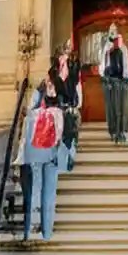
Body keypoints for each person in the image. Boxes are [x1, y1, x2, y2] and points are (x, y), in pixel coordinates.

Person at [14, 78, 66, 241]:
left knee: (34, 193)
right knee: (49, 194)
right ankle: (47, 232)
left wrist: (19, 160)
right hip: (51, 155)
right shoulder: (58, 113)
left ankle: (32, 230)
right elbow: (59, 135)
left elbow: (24, 140)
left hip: (34, 155)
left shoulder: (32, 115)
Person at [49, 39, 82, 171]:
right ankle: (60, 159)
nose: (64, 57)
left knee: (70, 132)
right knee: (60, 133)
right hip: (58, 104)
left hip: (70, 103)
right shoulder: (54, 71)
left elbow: (75, 82)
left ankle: (69, 158)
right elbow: (51, 86)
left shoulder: (73, 68)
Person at [100, 23, 128, 144]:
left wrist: (126, 78)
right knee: (111, 107)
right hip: (110, 81)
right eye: (111, 30)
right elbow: (103, 63)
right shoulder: (107, 49)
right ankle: (113, 130)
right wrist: (104, 76)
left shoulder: (123, 48)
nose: (112, 33)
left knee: (121, 108)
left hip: (120, 82)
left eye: (114, 30)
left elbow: (126, 64)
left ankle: (122, 131)